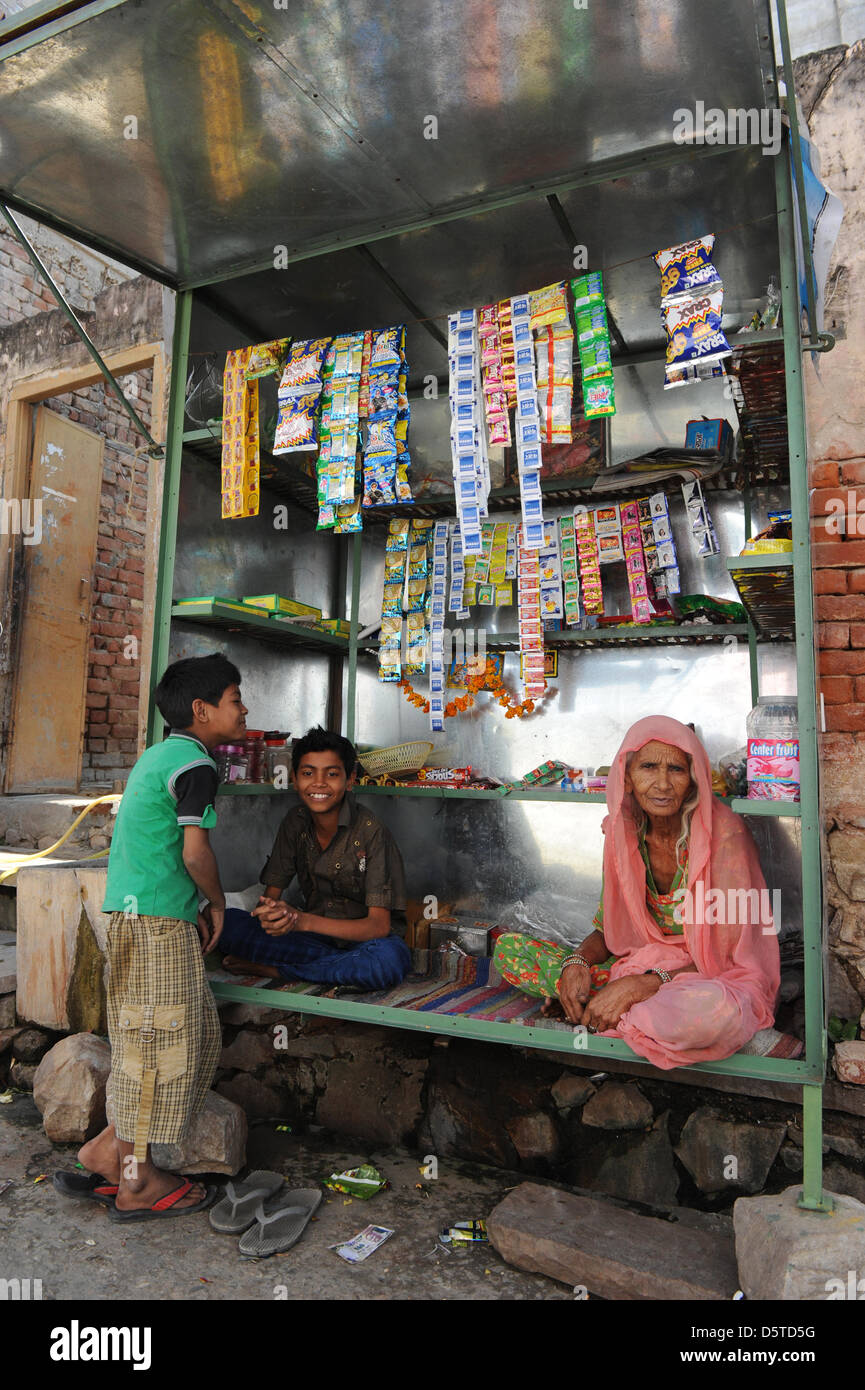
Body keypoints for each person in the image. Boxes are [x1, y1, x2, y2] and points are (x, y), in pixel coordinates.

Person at [60, 654, 246, 1218]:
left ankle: (105, 1152)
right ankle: (137, 1183)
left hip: (136, 919)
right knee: (160, 1051)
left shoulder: (158, 757)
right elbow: (194, 852)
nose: (244, 710)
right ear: (202, 709)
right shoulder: (196, 766)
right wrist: (216, 903)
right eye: (236, 699)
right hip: (157, 928)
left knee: (151, 1042)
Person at [494, 715, 780, 1069]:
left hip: (704, 979)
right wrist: (577, 964)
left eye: (676, 769)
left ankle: (603, 1011)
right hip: (633, 967)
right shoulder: (622, 832)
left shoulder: (725, 836)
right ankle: (602, 1005)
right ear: (627, 777)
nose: (662, 784)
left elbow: (730, 956)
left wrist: (644, 986)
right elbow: (608, 928)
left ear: (693, 779)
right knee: (509, 950)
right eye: (648, 767)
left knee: (713, 1012)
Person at [218, 726, 411, 990]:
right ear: (295, 779)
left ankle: (276, 970)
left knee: (384, 963)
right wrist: (274, 917)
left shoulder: (371, 831)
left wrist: (301, 920)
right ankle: (332, 968)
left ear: (350, 779)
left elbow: (378, 927)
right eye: (308, 773)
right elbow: (270, 898)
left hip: (367, 942)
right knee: (227, 924)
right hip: (310, 941)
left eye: (332, 774)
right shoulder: (295, 822)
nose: (319, 783)